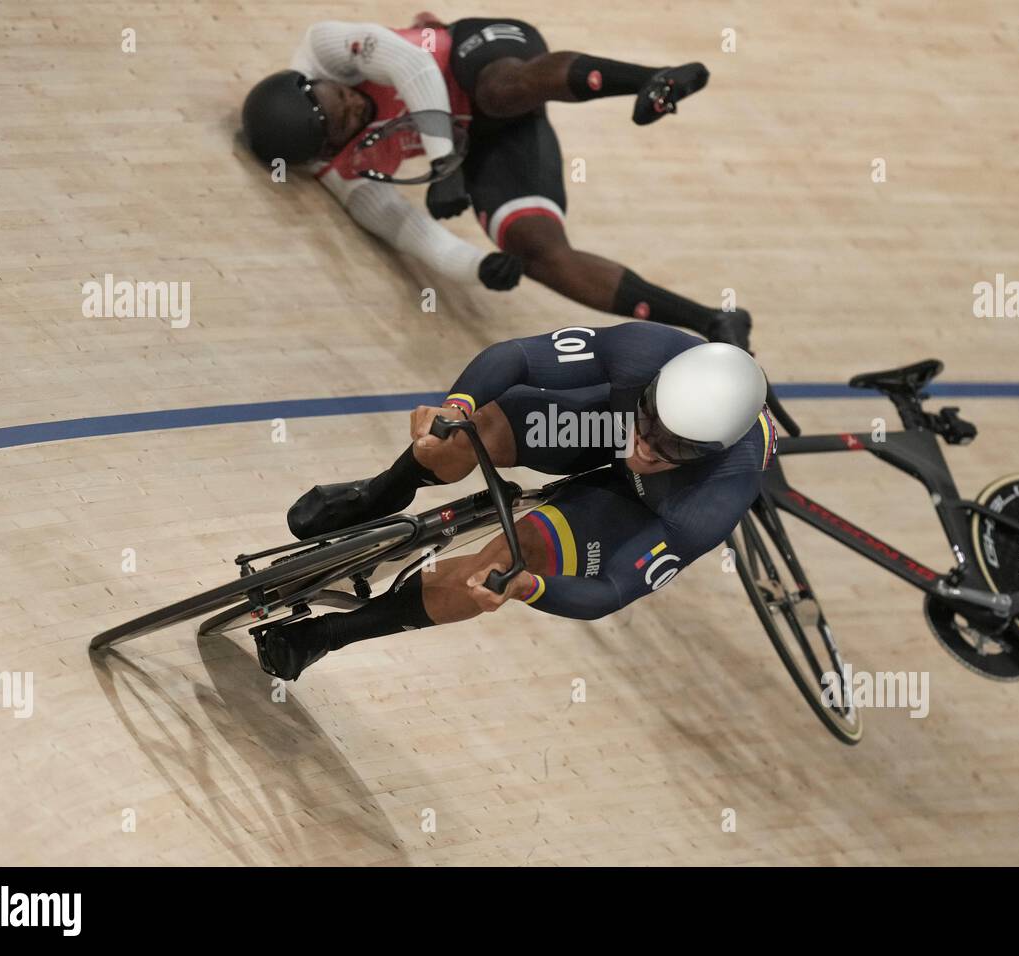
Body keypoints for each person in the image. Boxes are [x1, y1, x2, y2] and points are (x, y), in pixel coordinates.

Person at [256, 321, 778, 680]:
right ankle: (379, 494)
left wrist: (528, 588)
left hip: (642, 503)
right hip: (603, 423)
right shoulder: (645, 350)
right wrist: (454, 405)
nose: (648, 444)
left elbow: (612, 589)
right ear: (656, 383)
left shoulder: (711, 502)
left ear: (712, 452)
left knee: (506, 564)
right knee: (464, 433)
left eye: (675, 445)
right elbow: (519, 358)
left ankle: (331, 633)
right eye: (652, 417)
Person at [241, 13, 751, 349]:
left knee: (499, 90)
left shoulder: (322, 47)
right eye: (346, 121)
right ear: (327, 149)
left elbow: (411, 63)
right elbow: (406, 229)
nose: (355, 104)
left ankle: (655, 80)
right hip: (484, 142)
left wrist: (443, 165)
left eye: (343, 95)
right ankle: (711, 321)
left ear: (313, 80)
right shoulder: (342, 174)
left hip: (474, 59)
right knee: (537, 252)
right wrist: (478, 265)